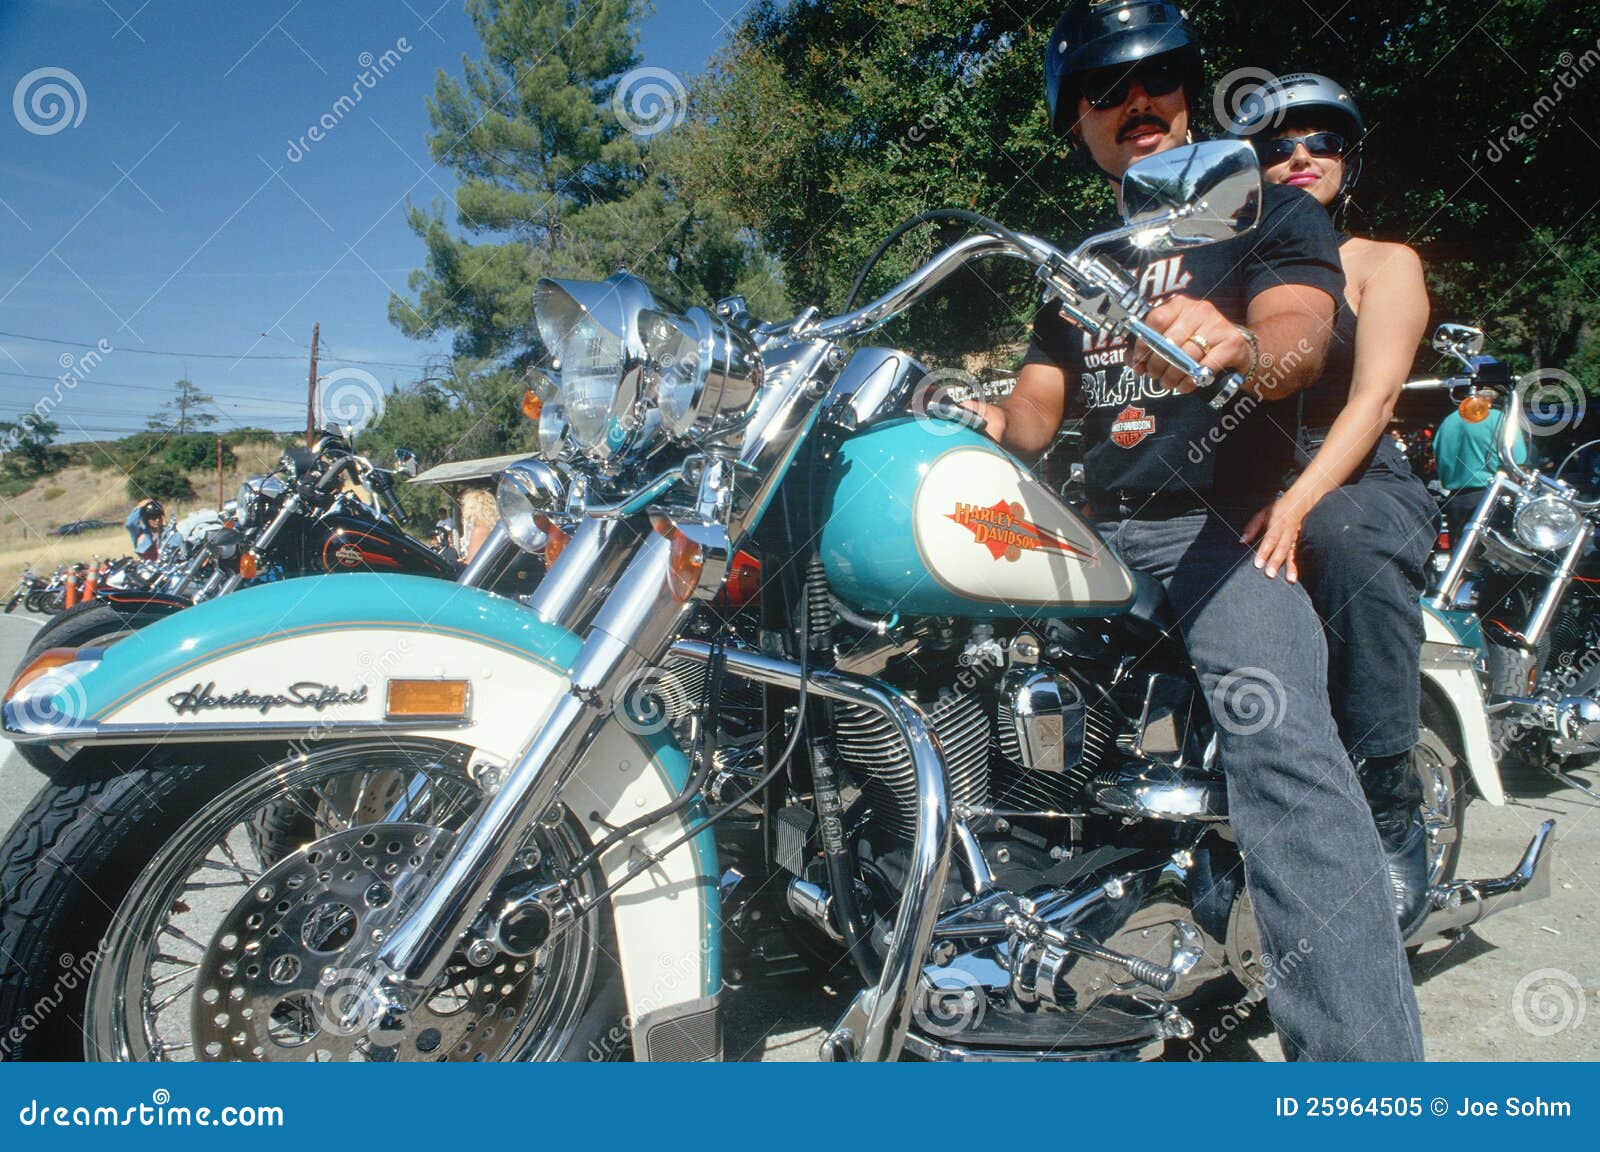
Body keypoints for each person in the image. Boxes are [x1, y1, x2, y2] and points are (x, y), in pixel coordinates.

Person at [975, 1, 1422, 1060]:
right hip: (1095, 532)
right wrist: (958, 414)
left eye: (1159, 78)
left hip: (1220, 530)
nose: (1137, 100)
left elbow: (1298, 336)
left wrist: (1238, 344)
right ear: (1075, 121)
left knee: (1286, 757)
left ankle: (1367, 1081)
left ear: (1186, 92)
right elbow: (1034, 413)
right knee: (983, 688)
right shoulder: (1081, 260)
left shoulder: (1264, 207)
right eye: (1106, 89)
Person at [1231, 74, 1443, 934]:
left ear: (1349, 161)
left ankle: (1389, 801)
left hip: (1354, 481)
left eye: (1321, 142)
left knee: (1346, 537)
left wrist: (1299, 498)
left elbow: (1375, 399)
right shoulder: (1232, 269)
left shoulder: (1384, 263)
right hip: (1247, 482)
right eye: (1276, 145)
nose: (1299, 157)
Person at [1435, 384, 1529, 542]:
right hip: (1492, 500)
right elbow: (1518, 461)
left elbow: (1440, 461)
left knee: (1461, 551)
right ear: (1491, 401)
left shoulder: (1448, 421)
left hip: (1456, 501)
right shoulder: (1499, 419)